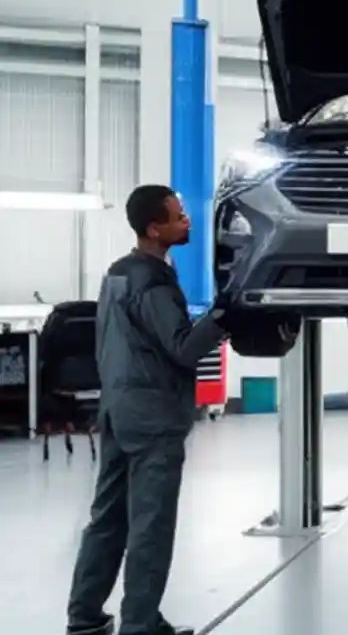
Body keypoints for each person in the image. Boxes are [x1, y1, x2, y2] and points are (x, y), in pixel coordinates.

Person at [67, 185, 233, 635]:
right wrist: (223, 318)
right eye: (179, 217)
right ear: (155, 229)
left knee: (108, 518)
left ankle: (84, 617)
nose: (188, 221)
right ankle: (140, 625)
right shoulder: (153, 281)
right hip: (154, 416)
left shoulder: (117, 273)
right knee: (151, 525)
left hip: (117, 409)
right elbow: (180, 348)